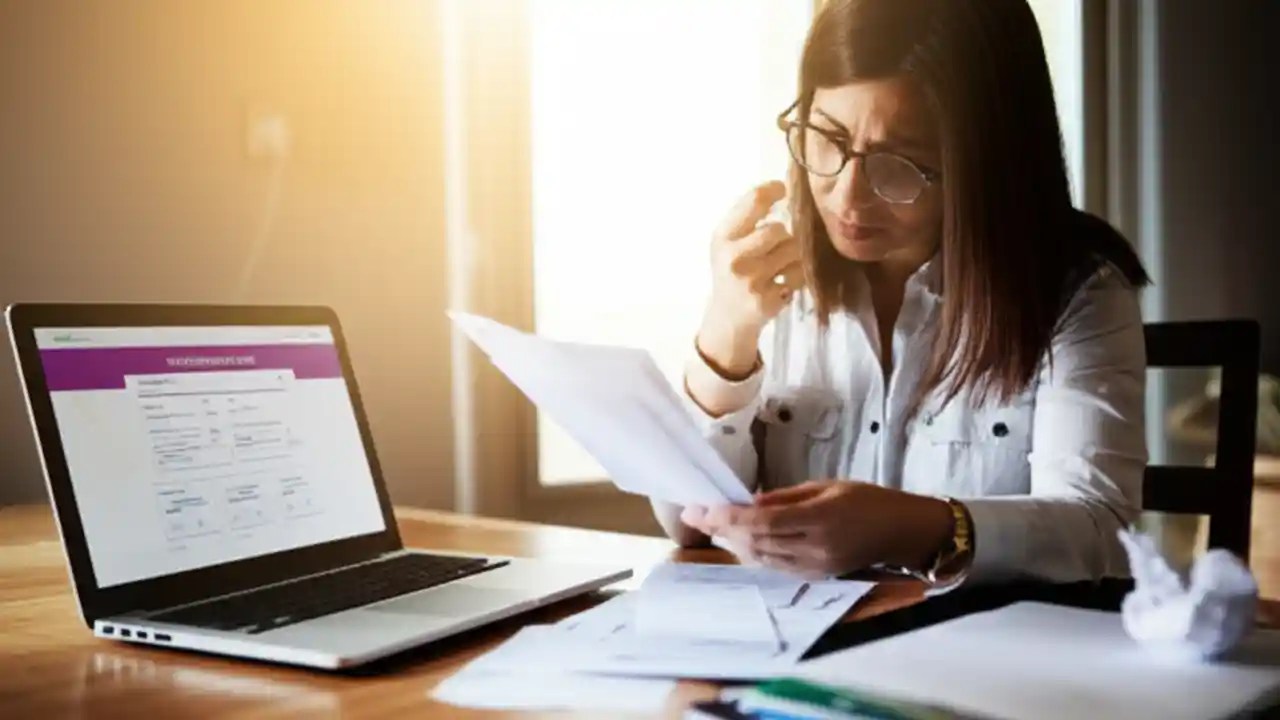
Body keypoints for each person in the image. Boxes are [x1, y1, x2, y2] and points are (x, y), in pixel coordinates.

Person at [651, 0, 1151, 588]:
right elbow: (682, 526)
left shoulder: (1075, 292)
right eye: (826, 139)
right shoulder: (774, 269)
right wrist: (725, 339)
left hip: (981, 660)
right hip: (792, 647)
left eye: (899, 164)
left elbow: (1100, 533)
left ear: (986, 163)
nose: (846, 196)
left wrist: (912, 526)